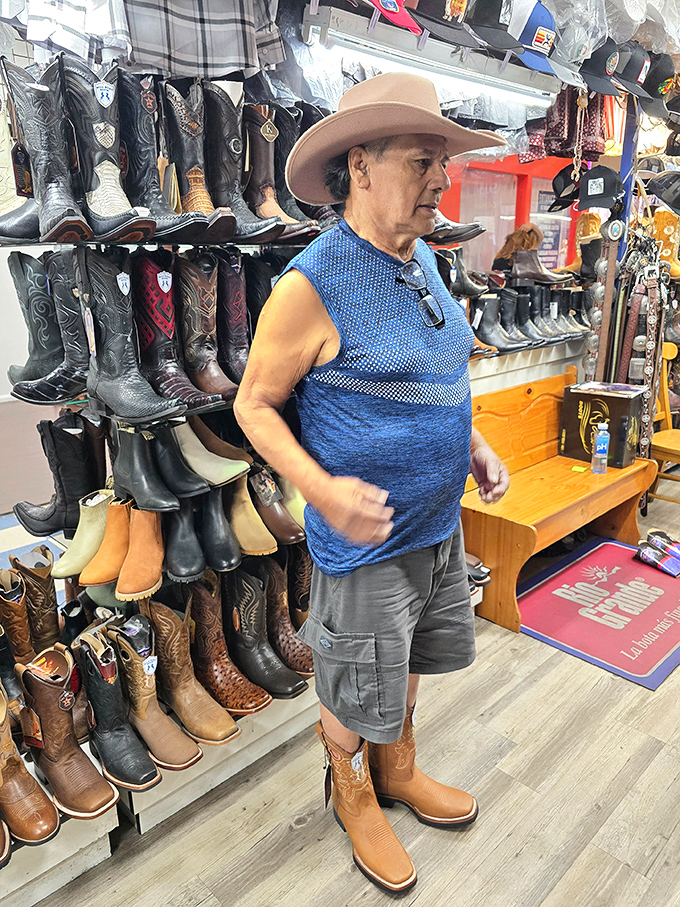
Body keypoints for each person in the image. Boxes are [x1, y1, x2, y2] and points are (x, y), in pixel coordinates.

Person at [234, 72, 510, 894]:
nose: (441, 179)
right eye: (424, 160)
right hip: (365, 544)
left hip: (434, 525)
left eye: (443, 163)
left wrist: (472, 442)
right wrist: (319, 490)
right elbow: (252, 406)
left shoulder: (423, 258)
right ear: (360, 163)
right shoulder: (310, 285)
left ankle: (398, 769)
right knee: (356, 679)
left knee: (414, 660)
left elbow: (434, 372)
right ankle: (351, 791)